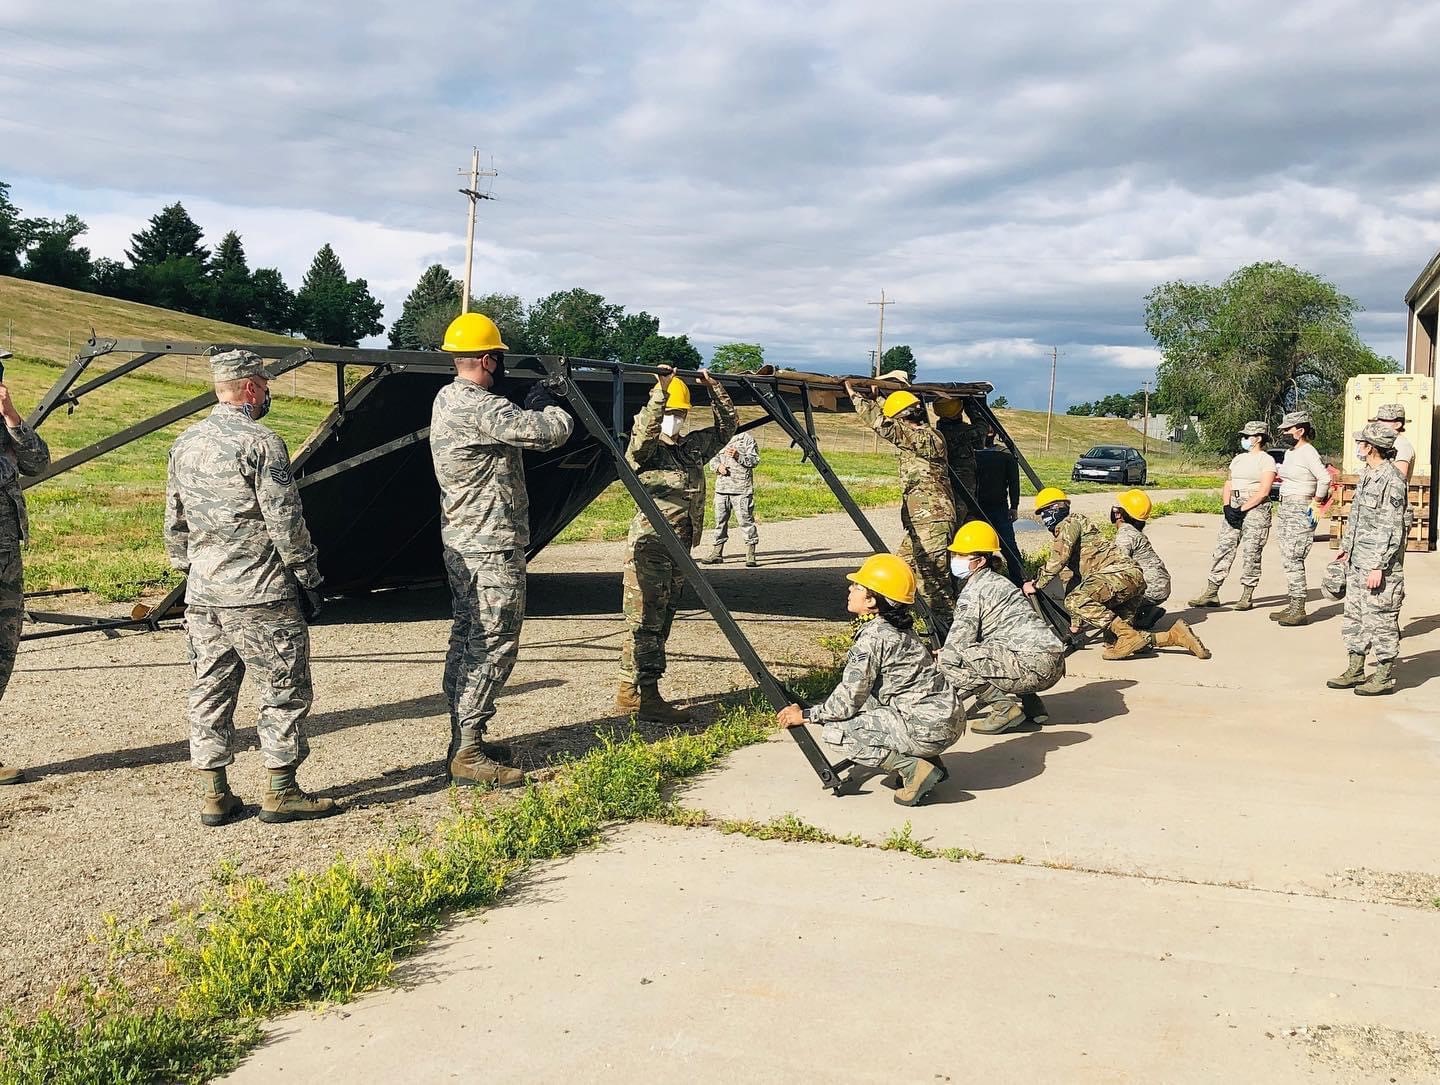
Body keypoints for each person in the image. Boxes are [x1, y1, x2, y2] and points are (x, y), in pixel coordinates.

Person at [165, 350, 336, 825]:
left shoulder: (184, 442)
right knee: (283, 687)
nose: (266, 394)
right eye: (264, 385)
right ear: (251, 388)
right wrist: (308, 575)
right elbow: (285, 519)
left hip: (204, 593)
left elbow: (174, 520)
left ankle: (214, 794)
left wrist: (190, 569)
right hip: (260, 590)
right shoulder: (262, 442)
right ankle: (282, 791)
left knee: (210, 688)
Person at [431, 313, 574, 788]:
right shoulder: (478, 405)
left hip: (464, 539)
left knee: (468, 636)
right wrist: (547, 401)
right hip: (489, 543)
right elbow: (550, 432)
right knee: (493, 642)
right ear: (489, 359)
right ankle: (468, 750)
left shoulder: (448, 398)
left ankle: (464, 737)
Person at [776, 554, 963, 807]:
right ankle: (928, 761)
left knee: (836, 731)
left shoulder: (873, 638)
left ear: (872, 601)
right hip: (946, 719)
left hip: (927, 728)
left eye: (857, 586)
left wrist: (805, 715)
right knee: (870, 705)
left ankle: (913, 769)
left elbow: (846, 702)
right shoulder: (900, 628)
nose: (850, 589)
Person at [617, 365, 736, 723]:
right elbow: (643, 435)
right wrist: (661, 393)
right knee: (645, 622)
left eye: (680, 414)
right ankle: (648, 696)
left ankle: (629, 690)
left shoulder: (692, 448)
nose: (676, 419)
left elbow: (727, 428)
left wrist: (714, 388)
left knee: (661, 619)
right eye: (671, 413)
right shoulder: (646, 451)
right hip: (651, 547)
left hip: (680, 548)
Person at [1026, 487, 1209, 662]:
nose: (1043, 518)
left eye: (1044, 512)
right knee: (1114, 643)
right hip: (1131, 580)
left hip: (1120, 576)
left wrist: (1036, 584)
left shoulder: (1069, 523)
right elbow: (1075, 581)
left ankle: (1128, 635)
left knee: (1074, 601)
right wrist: (1076, 624)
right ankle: (1175, 636)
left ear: (1054, 509)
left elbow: (1059, 559)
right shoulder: (1079, 528)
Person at [847, 381, 957, 635]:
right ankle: (895, 626)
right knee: (899, 571)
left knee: (934, 584)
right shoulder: (918, 435)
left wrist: (856, 397)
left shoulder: (927, 437)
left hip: (932, 520)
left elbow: (886, 426)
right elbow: (896, 423)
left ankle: (950, 636)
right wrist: (880, 400)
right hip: (922, 522)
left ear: (904, 419)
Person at [938, 522, 1065, 735]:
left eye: (961, 555)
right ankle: (1033, 706)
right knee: (998, 646)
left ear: (980, 561)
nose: (955, 559)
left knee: (950, 660)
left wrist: (940, 658)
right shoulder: (1001, 582)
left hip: (1032, 668)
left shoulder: (973, 593)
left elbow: (957, 646)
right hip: (1053, 662)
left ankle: (1004, 708)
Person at [1326, 423, 1409, 696]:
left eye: (1361, 442)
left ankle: (1383, 677)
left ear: (1371, 447)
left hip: (1378, 566)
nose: (1358, 446)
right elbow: (1358, 517)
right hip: (1357, 560)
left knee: (1381, 620)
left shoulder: (1392, 479)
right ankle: (1355, 669)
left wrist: (1379, 566)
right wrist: (1347, 549)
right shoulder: (1367, 474)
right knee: (1355, 617)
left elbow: (1391, 527)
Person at [0, 352, 50, 786]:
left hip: (6, 563)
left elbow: (38, 463)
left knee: (4, 649)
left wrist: (12, 417)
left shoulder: (4, 424)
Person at [1188, 422, 1277, 611]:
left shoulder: (1266, 460)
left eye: (1247, 436)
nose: (1243, 440)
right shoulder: (1238, 459)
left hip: (1255, 507)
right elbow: (1229, 483)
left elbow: (1264, 491)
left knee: (1252, 551)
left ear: (1258, 438)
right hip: (1234, 504)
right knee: (1224, 547)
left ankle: (1247, 595)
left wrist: (1243, 508)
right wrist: (1227, 506)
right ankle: (1211, 592)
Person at [1270, 410, 1330, 627]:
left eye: (1288, 429)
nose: (1284, 433)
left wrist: (1316, 502)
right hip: (1287, 505)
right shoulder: (1291, 452)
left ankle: (1299, 607)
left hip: (1302, 505)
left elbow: (1324, 478)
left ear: (1300, 430)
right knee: (1287, 555)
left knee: (1295, 555)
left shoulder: (1308, 452)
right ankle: (1293, 602)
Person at [1109, 489, 1170, 630]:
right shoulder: (1134, 532)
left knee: (1105, 597)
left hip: (1150, 589)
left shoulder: (1125, 535)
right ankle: (1144, 612)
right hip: (1160, 585)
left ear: (1118, 513)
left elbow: (1117, 566)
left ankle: (1134, 618)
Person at [701, 431, 760, 567]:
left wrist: (738, 456)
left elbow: (754, 461)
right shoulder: (720, 438)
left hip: (741, 489)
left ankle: (750, 554)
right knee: (719, 522)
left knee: (746, 522)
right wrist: (718, 466)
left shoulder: (747, 439)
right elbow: (712, 458)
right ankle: (717, 553)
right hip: (722, 489)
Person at [974, 425, 1023, 585]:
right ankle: (983, 583)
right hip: (976, 509)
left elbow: (1014, 482)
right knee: (979, 547)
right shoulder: (971, 453)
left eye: (991, 427)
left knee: (1009, 547)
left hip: (999, 508)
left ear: (995, 431)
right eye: (984, 426)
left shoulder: (1005, 453)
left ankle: (1021, 582)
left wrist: (1014, 506)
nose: (988, 430)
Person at [932, 397, 984, 523]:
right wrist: (970, 408)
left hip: (948, 481)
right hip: (962, 484)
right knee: (961, 518)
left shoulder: (938, 431)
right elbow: (982, 428)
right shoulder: (961, 431)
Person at [1371, 404, 1415, 481]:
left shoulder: (1401, 446)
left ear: (1397, 425)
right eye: (1378, 420)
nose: (1378, 423)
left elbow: (1398, 479)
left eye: (1383, 420)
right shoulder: (1387, 443)